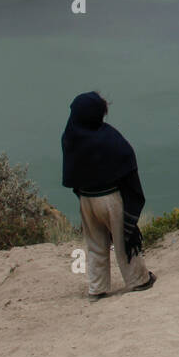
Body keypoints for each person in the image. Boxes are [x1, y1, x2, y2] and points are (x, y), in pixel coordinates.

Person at [61, 91, 156, 300]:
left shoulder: (71, 136)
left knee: (95, 244)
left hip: (86, 199)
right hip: (111, 199)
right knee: (123, 240)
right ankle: (139, 280)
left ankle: (97, 288)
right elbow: (128, 166)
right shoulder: (109, 138)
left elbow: (70, 173)